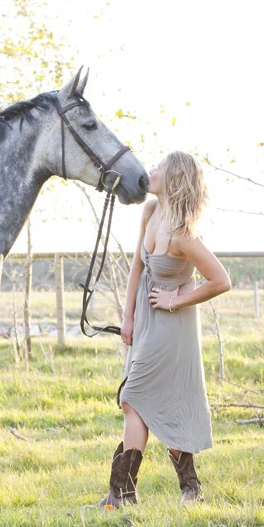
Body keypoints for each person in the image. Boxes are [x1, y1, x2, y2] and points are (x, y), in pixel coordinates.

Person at [97, 150, 231, 508]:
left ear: (173, 179)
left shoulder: (182, 235)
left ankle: (121, 493)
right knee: (149, 403)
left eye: (158, 168)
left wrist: (176, 300)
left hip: (172, 328)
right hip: (145, 321)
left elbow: (221, 280)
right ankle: (187, 488)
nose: (150, 171)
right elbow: (137, 268)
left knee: (132, 397)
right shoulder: (151, 211)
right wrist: (128, 317)